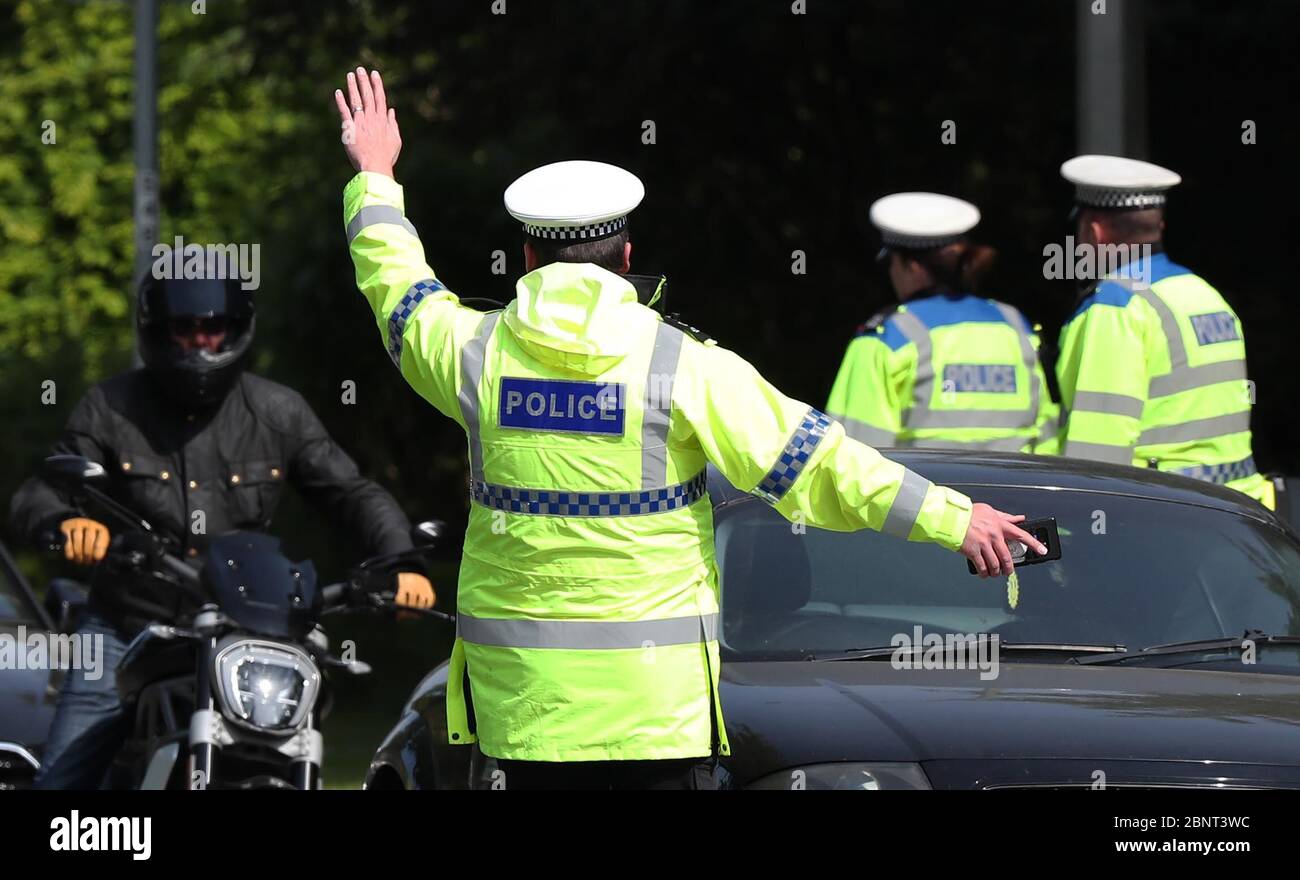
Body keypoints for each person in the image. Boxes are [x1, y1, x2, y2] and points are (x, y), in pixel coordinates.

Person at [333, 67, 1046, 790]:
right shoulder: (685, 368)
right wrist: (954, 518)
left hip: (523, 716)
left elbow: (397, 290)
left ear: (527, 257)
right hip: (656, 719)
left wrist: (376, 176)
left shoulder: (473, 355)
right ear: (628, 258)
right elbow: (819, 465)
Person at [9, 274, 435, 789]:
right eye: (185, 328)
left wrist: (402, 562)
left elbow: (350, 491)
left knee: (297, 733)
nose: (201, 340)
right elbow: (43, 489)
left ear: (237, 330)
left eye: (214, 327)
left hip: (245, 632)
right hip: (129, 626)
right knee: (62, 783)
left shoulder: (277, 412)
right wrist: (65, 521)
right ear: (157, 331)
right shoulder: (111, 407)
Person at [1054, 155, 1272, 508]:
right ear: (1160, 225)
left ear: (1094, 230)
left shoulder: (1116, 307)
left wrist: (1081, 530)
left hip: (1156, 514)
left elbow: (1097, 455)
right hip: (1235, 513)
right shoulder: (1204, 294)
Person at [826, 192, 1058, 453]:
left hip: (924, 495)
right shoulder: (1017, 327)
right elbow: (1048, 442)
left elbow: (855, 457)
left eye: (892, 262)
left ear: (912, 267)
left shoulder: (884, 338)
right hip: (1016, 495)